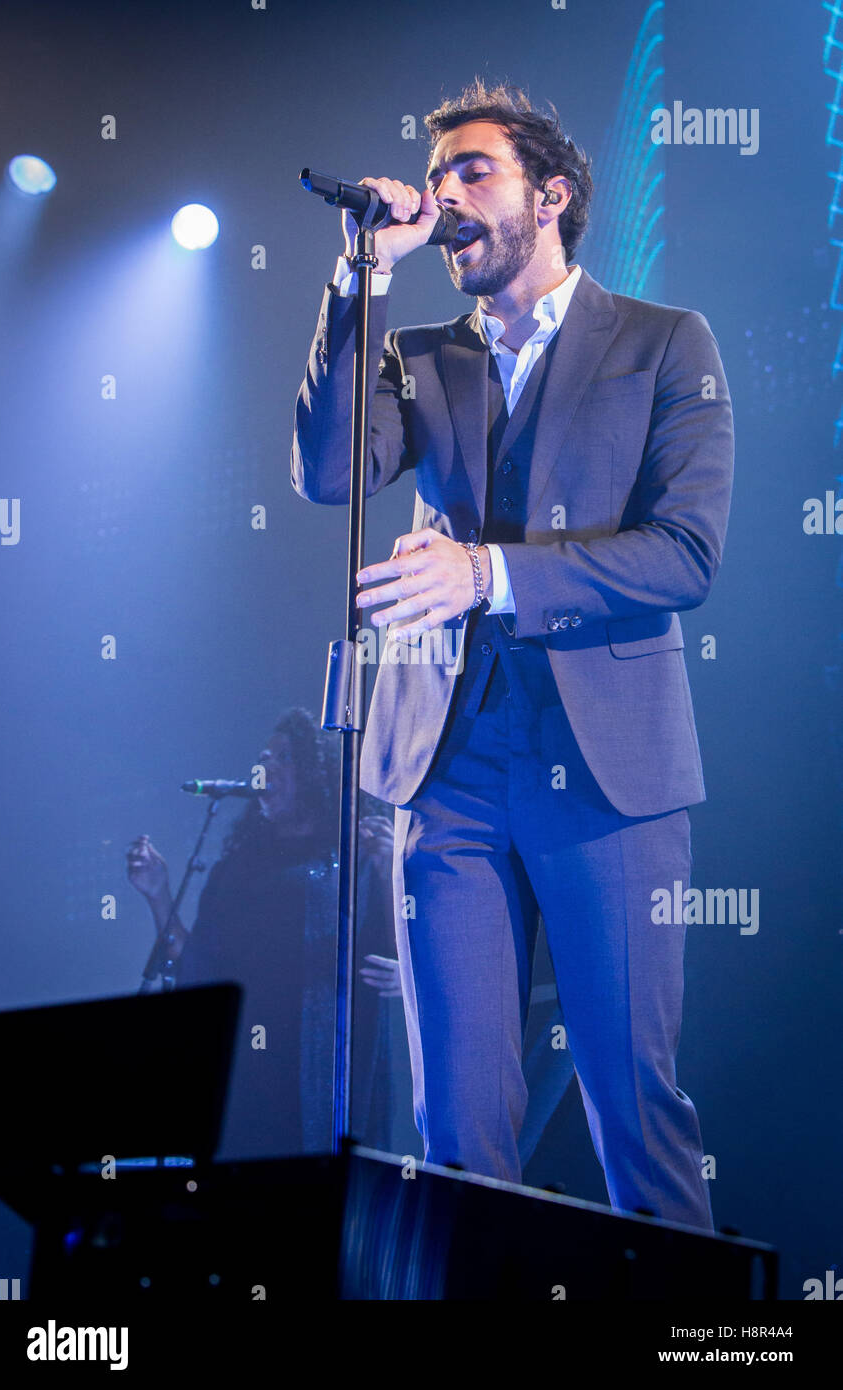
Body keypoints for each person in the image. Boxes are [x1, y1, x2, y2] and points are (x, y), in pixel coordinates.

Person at [292, 81, 734, 1229]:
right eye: (434, 178)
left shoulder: (660, 343)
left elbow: (685, 555)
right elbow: (329, 471)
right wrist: (358, 280)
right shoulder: (423, 352)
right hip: (449, 772)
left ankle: (703, 1343)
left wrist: (485, 575)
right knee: (455, 1126)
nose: (444, 196)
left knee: (631, 1108)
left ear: (552, 196)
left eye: (471, 172)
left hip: (606, 776)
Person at [127, 708, 398, 1159]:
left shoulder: (354, 856)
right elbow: (196, 966)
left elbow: (390, 956)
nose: (265, 767)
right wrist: (158, 894)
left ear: (315, 774)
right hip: (247, 1073)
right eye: (263, 758)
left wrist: (388, 870)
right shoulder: (235, 871)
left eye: (283, 758)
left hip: (324, 1067)